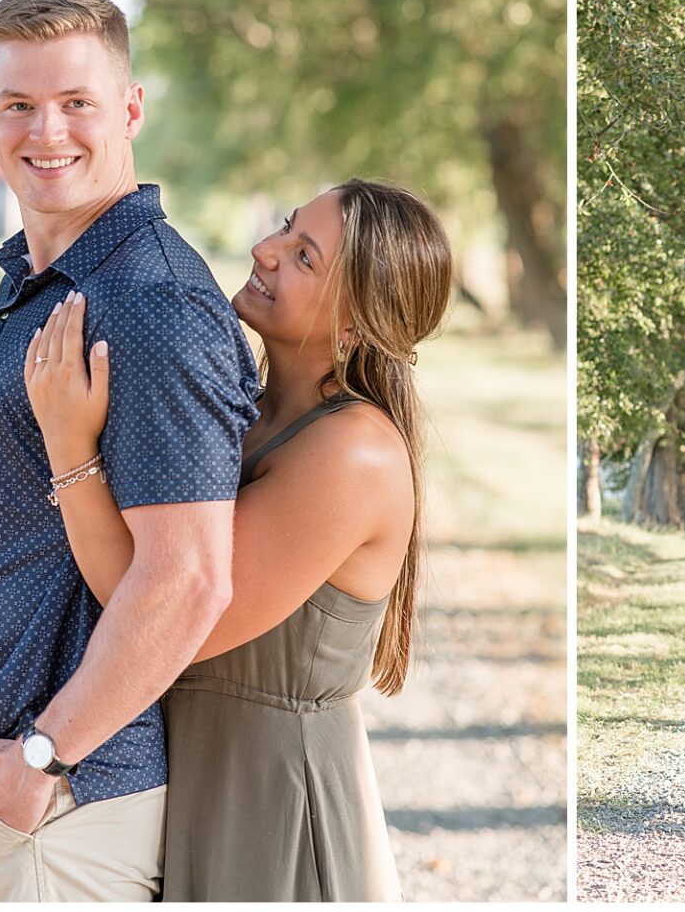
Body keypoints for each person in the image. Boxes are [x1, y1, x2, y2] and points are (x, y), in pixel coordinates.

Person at [0, 0, 261, 900]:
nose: (47, 131)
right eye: (20, 105)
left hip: (58, 811)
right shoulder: (40, 276)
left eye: (77, 103)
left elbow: (189, 578)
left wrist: (40, 757)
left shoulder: (150, 303)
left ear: (132, 108)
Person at [24, 178, 451, 900]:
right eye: (287, 227)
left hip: (269, 804)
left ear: (356, 323)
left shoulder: (353, 454)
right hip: (195, 776)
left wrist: (71, 447)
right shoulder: (250, 411)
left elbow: (157, 612)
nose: (265, 250)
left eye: (305, 256)